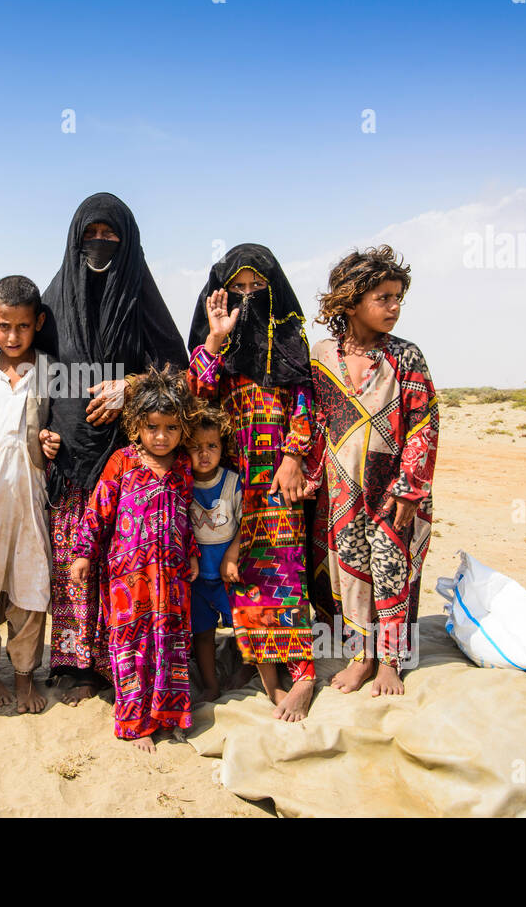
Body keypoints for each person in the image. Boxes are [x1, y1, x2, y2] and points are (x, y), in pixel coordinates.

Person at [38, 192, 188, 706]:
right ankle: (77, 665)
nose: (99, 244)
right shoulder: (53, 301)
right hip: (71, 458)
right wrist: (42, 431)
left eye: (111, 236)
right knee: (74, 565)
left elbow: (178, 369)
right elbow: (39, 372)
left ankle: (119, 664)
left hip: (129, 463)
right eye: (91, 234)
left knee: (120, 563)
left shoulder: (140, 297)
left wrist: (132, 386)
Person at [187, 243, 316, 722]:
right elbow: (199, 396)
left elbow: (304, 402)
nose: (246, 297)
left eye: (256, 288)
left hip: (280, 481)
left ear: (273, 289)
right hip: (231, 485)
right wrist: (217, 339)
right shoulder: (217, 347)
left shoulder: (290, 342)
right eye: (236, 289)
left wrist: (292, 455)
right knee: (241, 580)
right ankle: (262, 670)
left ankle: (301, 674)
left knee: (282, 577)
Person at [304, 245, 438, 697]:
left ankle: (391, 663)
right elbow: (317, 420)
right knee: (352, 574)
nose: (394, 307)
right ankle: (362, 657)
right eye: (383, 297)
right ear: (351, 300)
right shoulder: (323, 355)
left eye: (399, 297)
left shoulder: (406, 356)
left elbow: (424, 424)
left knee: (392, 571)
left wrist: (409, 489)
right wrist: (307, 472)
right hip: (343, 491)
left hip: (396, 493)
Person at [69, 367, 197, 752]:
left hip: (171, 579)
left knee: (170, 644)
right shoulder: (122, 463)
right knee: (131, 647)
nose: (162, 436)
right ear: (137, 425)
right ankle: (134, 722)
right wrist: (83, 553)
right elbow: (98, 511)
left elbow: (190, 517)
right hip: (128, 581)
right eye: (153, 427)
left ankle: (167, 715)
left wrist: (190, 554)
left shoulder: (184, 469)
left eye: (171, 428)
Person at [0, 276, 62, 714]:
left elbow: (64, 424)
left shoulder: (51, 370)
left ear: (37, 323)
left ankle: (25, 675)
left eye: (22, 327)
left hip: (30, 497)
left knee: (30, 583)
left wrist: (53, 443)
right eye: (4, 326)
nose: (12, 336)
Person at [186, 403, 241, 704]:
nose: (204, 454)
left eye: (212, 446)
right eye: (196, 447)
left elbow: (247, 523)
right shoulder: (182, 484)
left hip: (227, 576)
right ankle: (210, 684)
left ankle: (245, 669)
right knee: (203, 633)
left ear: (222, 448)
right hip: (197, 579)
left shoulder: (232, 482)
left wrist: (233, 553)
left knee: (241, 626)